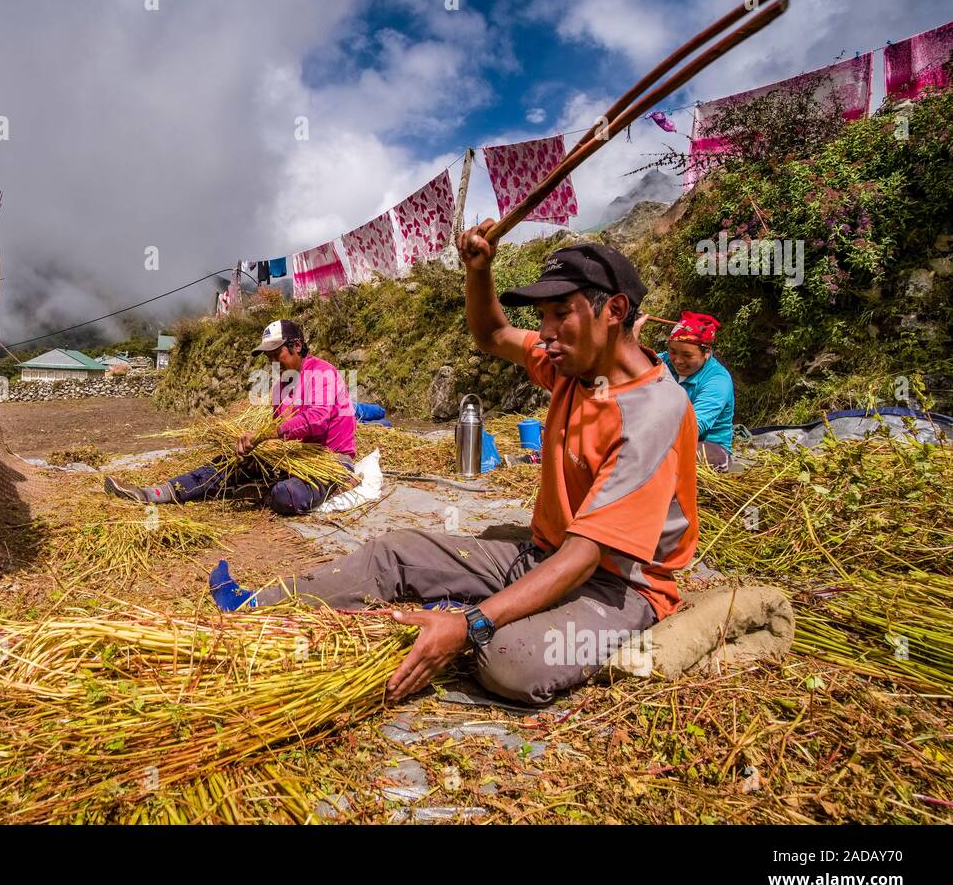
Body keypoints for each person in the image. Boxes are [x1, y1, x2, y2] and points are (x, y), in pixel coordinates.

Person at [209, 234, 700, 706]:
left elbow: (585, 556)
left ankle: (477, 619)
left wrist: (471, 625)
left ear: (613, 311)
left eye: (560, 314)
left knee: (508, 661)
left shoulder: (652, 412)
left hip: (619, 584)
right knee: (395, 553)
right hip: (546, 555)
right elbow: (493, 333)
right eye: (542, 317)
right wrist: (479, 270)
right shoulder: (575, 366)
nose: (545, 333)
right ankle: (261, 606)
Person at [105, 319, 357, 516]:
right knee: (225, 464)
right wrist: (254, 447)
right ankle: (157, 493)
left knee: (287, 495)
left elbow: (316, 418)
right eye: (268, 358)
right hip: (295, 458)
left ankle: (320, 486)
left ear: (297, 346)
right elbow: (280, 431)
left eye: (276, 354)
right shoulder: (281, 387)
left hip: (331, 459)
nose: (272, 362)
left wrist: (263, 436)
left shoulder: (323, 372)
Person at [640, 311, 735, 471]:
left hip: (708, 445)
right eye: (673, 351)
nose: (677, 360)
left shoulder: (717, 381)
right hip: (663, 435)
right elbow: (630, 367)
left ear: (706, 353)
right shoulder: (663, 362)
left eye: (687, 355)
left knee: (667, 458)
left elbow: (693, 427)